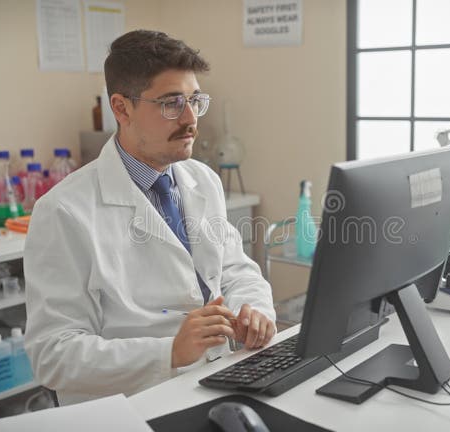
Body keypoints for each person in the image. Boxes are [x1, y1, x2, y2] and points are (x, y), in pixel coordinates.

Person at [24, 30, 276, 405]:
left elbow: (235, 270)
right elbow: (52, 354)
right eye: (172, 103)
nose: (191, 119)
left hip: (215, 378)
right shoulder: (62, 211)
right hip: (133, 404)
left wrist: (252, 311)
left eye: (195, 101)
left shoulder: (202, 179)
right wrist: (169, 352)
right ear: (122, 109)